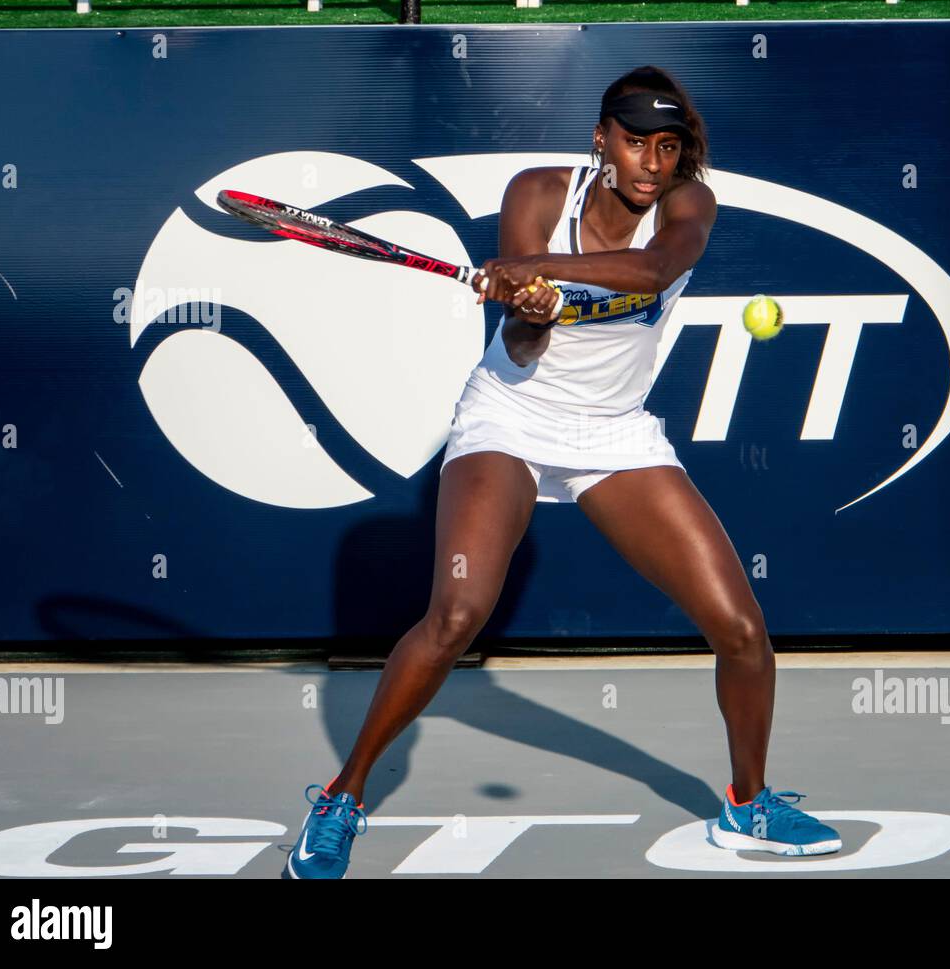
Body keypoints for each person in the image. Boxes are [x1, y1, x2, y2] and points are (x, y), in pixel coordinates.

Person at [283, 65, 841, 879]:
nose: (652, 162)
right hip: (510, 418)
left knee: (742, 629)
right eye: (636, 142)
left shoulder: (690, 204)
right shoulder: (539, 192)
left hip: (616, 433)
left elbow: (653, 274)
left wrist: (543, 271)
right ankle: (342, 798)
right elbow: (519, 347)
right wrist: (532, 312)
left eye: (668, 146)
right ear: (601, 139)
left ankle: (747, 803)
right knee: (457, 614)